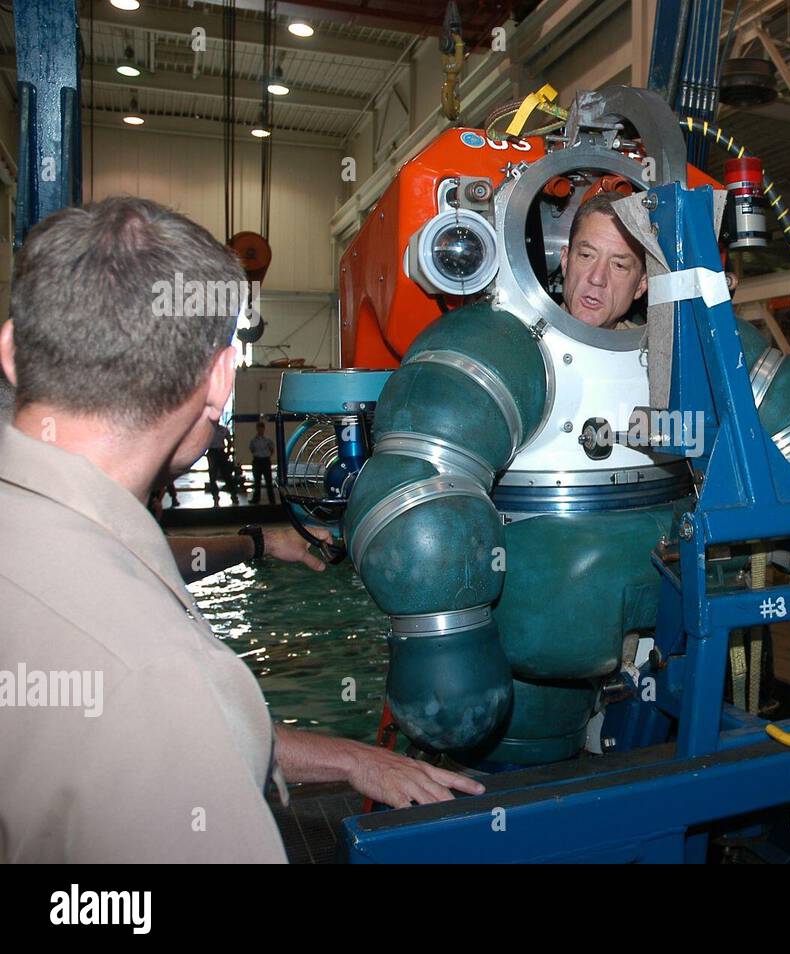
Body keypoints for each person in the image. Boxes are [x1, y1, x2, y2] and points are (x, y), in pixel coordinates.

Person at [0, 197, 482, 864]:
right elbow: (169, 718)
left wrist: (348, 759)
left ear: (10, 351)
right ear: (220, 382)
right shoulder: (156, 677)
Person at [560, 191, 649, 330]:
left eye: (619, 265)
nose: (597, 279)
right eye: (586, 256)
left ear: (640, 285)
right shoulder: (517, 340)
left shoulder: (654, 351)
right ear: (565, 261)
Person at [249, 421, 276, 504]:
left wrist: (266, 456)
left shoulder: (268, 440)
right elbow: (252, 449)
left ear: (263, 429)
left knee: (268, 481)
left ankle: (272, 499)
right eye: (259, 428)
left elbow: (272, 450)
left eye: (261, 428)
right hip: (257, 460)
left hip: (265, 460)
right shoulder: (253, 440)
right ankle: (256, 499)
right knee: (257, 481)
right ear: (257, 429)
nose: (260, 430)